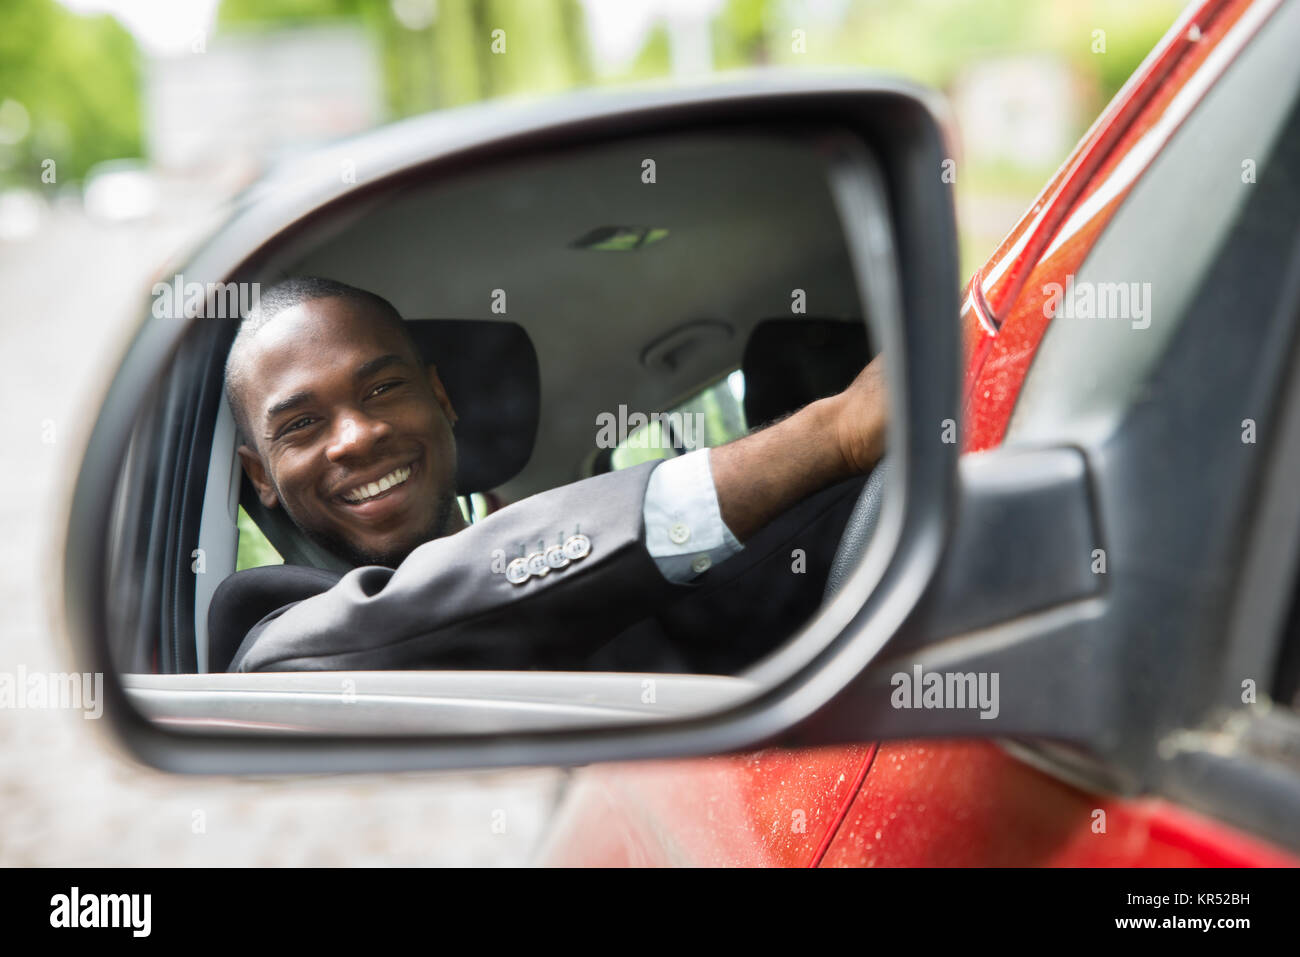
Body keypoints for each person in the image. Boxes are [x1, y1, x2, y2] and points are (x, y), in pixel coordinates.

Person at [214, 278, 887, 672]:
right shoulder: (276, 639)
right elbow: (438, 601)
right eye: (301, 424)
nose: (358, 436)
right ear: (260, 476)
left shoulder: (623, 588)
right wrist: (832, 433)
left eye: (383, 388)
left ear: (441, 398)